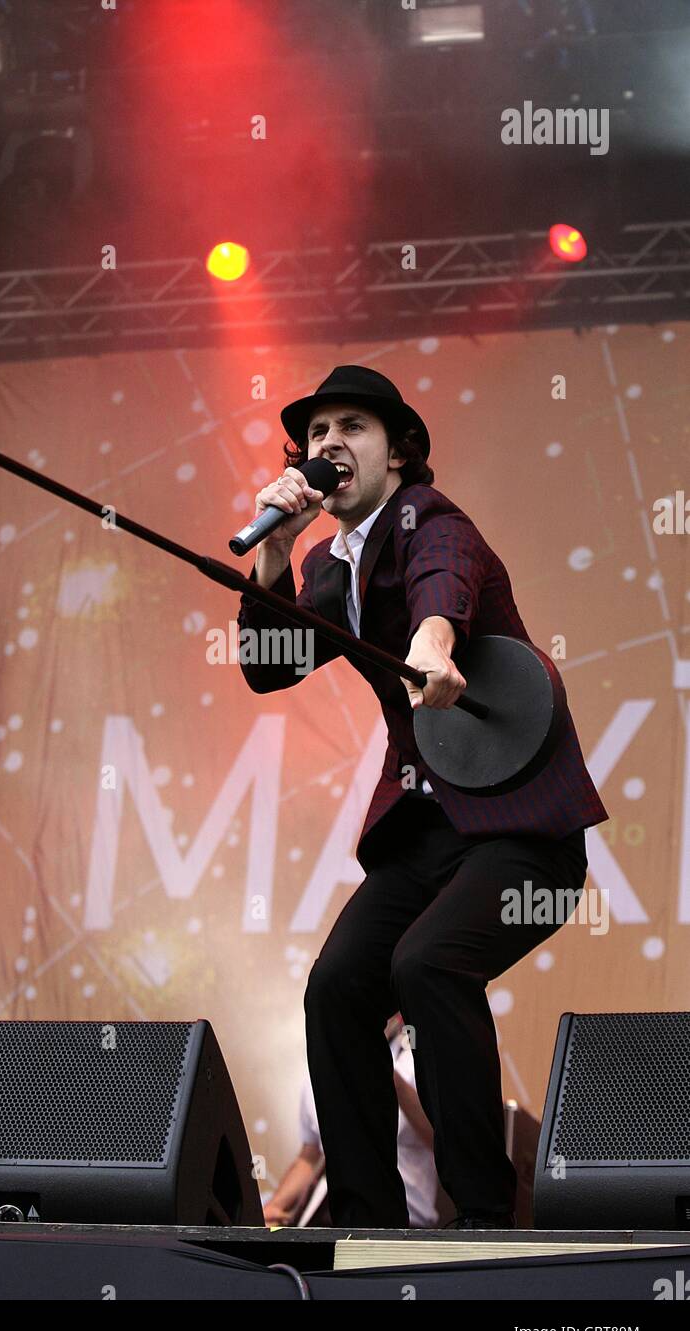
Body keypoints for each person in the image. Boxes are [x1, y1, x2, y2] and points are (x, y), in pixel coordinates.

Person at [236, 365, 609, 1231]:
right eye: (316, 433)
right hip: (428, 837)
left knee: (428, 962)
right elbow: (268, 667)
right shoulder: (333, 564)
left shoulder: (427, 519)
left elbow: (445, 580)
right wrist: (275, 551)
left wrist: (436, 642)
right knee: (337, 988)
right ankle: (368, 1223)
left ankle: (481, 1217)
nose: (329, 444)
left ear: (399, 451)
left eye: (352, 428)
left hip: (524, 836)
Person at [263, 1014, 442, 1229]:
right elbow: (309, 1157)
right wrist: (272, 1208)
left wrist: (381, 1066)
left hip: (404, 1224)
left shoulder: (420, 1057)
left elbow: (440, 1139)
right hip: (328, 1221)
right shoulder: (319, 1071)